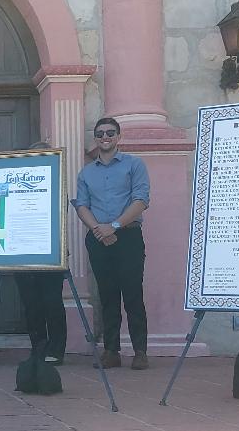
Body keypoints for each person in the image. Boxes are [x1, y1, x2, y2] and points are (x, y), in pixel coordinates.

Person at [73, 117, 151, 370]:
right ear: (95, 138)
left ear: (118, 136)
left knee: (133, 294)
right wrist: (98, 229)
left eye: (109, 133)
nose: (104, 137)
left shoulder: (134, 165)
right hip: (98, 238)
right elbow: (81, 205)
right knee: (106, 295)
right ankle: (111, 350)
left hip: (127, 236)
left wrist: (114, 226)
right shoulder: (86, 173)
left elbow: (141, 200)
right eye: (99, 134)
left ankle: (140, 351)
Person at [13, 142, 68, 365]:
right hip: (22, 253)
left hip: (49, 253)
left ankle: (56, 349)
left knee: (52, 302)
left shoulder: (56, 180)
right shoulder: (15, 180)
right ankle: (38, 347)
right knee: (31, 304)